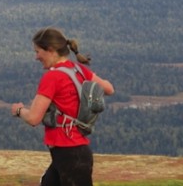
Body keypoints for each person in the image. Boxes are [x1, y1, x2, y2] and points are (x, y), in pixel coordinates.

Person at [11, 27, 115, 186]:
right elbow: (108, 88)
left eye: (38, 51)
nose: (36, 57)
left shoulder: (52, 77)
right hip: (72, 153)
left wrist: (18, 110)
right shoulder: (78, 69)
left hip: (69, 153)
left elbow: (33, 118)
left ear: (51, 50)